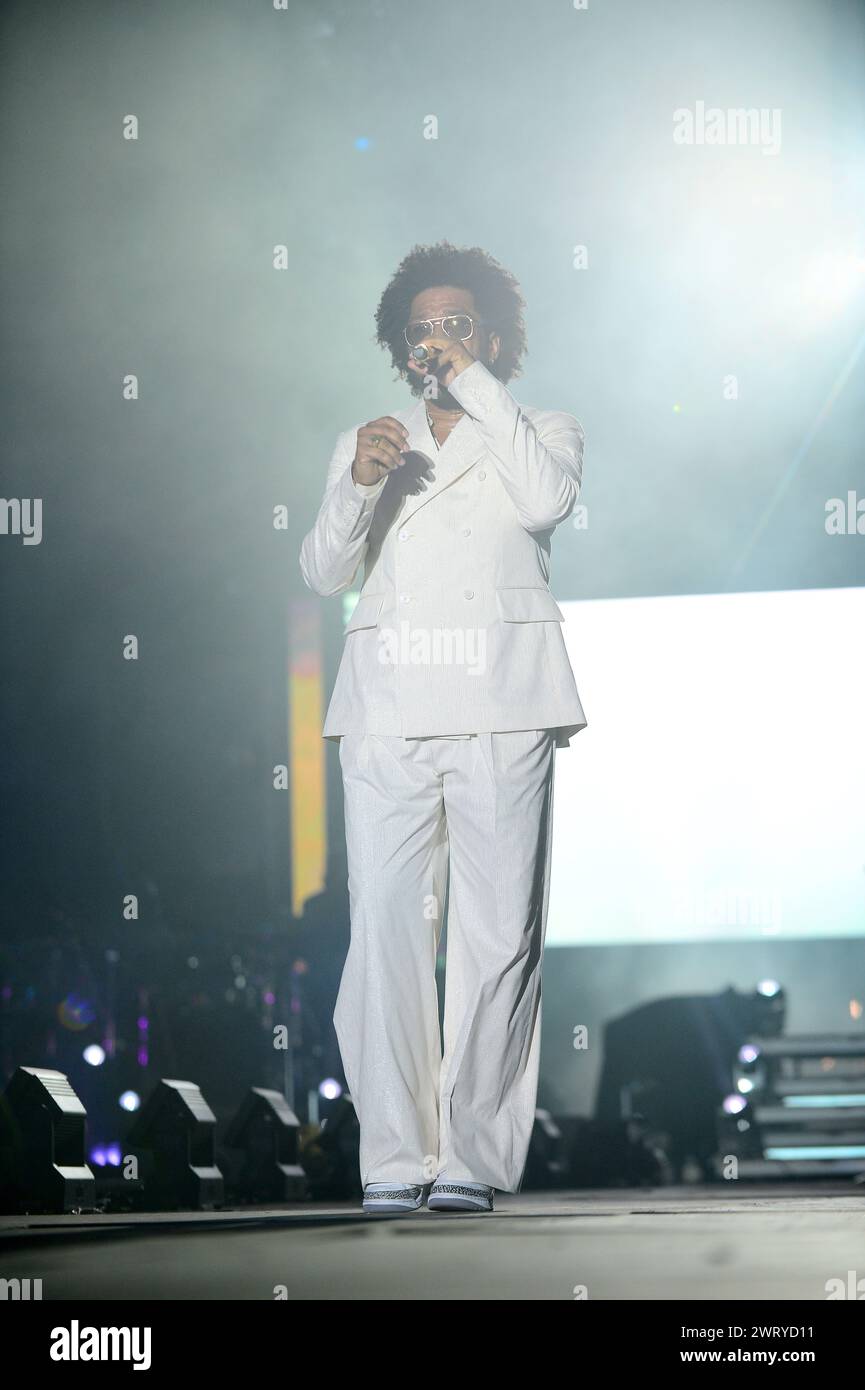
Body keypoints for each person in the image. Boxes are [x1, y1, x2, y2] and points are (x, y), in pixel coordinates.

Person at [300, 241, 587, 1212]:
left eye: (456, 323)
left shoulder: (540, 428)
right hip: (388, 705)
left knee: (495, 932)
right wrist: (355, 483)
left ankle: (469, 1155)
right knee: (383, 930)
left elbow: (546, 501)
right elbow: (321, 573)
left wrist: (473, 385)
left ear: (491, 337)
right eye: (423, 326)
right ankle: (392, 1156)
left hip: (503, 702)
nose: (437, 338)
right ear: (398, 342)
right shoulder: (370, 437)